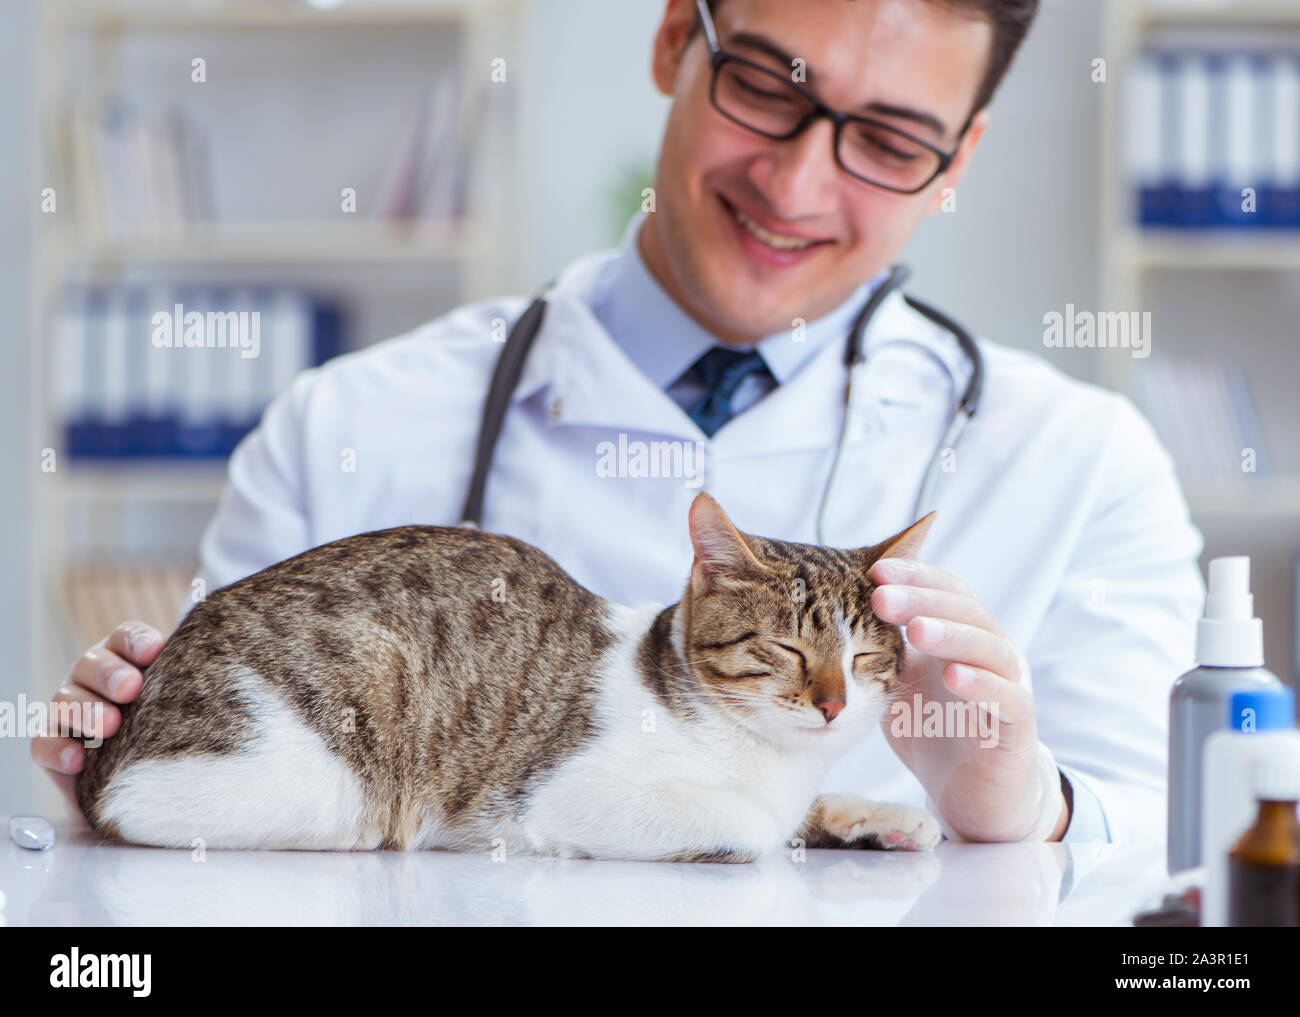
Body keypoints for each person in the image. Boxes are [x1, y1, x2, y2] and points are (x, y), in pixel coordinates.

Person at [32, 0, 1204, 845]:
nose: (795, 186)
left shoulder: (1086, 463)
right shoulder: (346, 417)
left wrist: (1027, 804)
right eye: (765, 85)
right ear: (669, 40)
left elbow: (1173, 872)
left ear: (958, 163)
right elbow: (192, 866)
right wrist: (113, 743)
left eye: (891, 141)